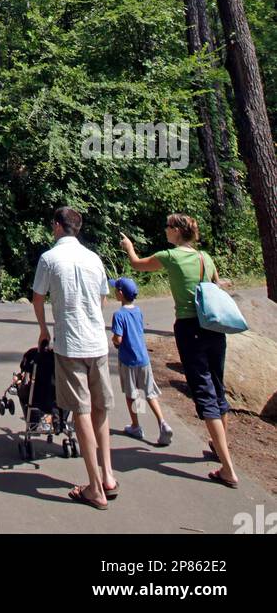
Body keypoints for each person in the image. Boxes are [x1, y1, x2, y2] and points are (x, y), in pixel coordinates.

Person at [120, 216, 238, 488]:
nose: (164, 231)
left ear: (176, 231)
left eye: (167, 227)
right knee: (218, 387)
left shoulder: (170, 256)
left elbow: (138, 265)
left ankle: (228, 469)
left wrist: (129, 247)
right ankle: (219, 449)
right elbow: (216, 285)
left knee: (204, 391)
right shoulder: (204, 257)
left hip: (189, 327)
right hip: (213, 327)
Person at [32, 206, 117, 510]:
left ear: (57, 226)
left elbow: (38, 297)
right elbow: (103, 296)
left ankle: (94, 487)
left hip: (70, 344)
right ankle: (108, 475)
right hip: (97, 342)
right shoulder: (94, 258)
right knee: (101, 408)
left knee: (81, 411)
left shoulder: (49, 259)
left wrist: (44, 330)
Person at [109, 276, 173, 446]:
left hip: (128, 360)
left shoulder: (119, 315)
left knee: (132, 393)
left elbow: (118, 339)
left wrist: (114, 341)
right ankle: (162, 423)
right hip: (143, 359)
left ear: (120, 294)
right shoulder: (138, 311)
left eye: (115, 289)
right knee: (149, 392)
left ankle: (136, 426)